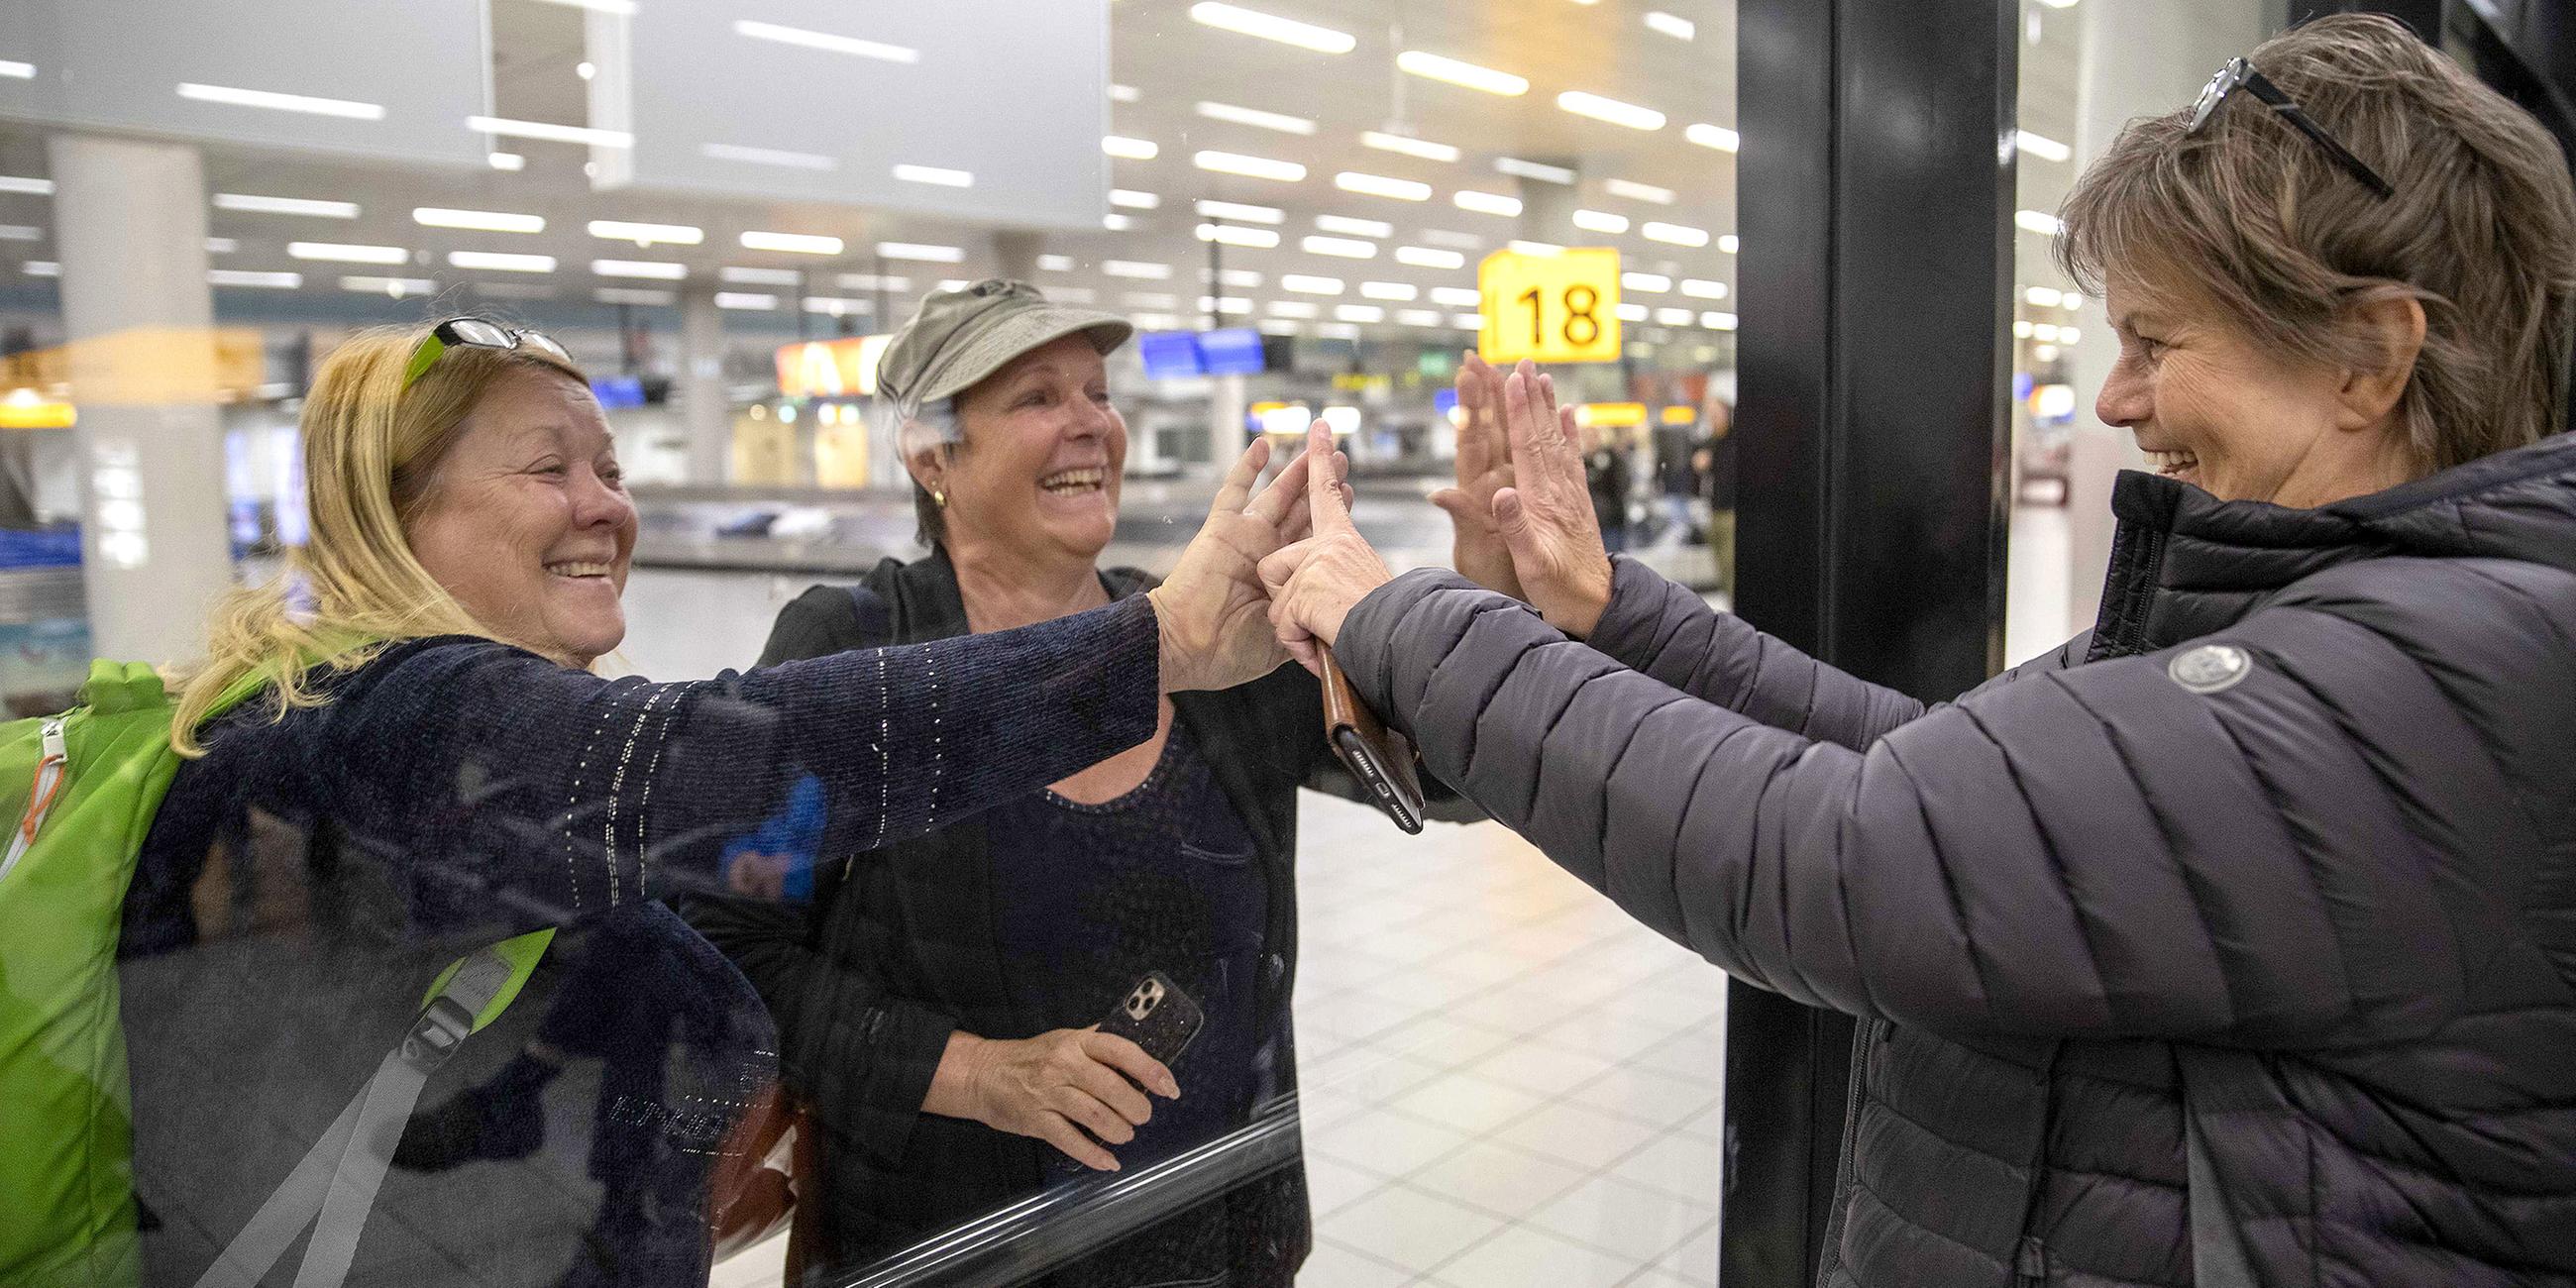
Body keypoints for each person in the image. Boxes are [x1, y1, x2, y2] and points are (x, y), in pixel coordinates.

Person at [1262, 15, 2576, 1287]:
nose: (2116, 402)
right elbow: (1927, 763)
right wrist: (1614, 615)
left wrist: (1400, 617)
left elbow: (1844, 854)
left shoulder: (2426, 686)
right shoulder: (2350, 619)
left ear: (2368, 358)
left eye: (2156, 345)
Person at [111, 313, 1319, 1287]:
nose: (606, 506)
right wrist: (1146, 647)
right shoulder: (390, 727)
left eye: (609, 468)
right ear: (393, 509)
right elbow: (732, 765)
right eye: (548, 469)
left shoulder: (355, 727)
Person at [684, 280, 1416, 1286]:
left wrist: (1472, 603)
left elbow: (1430, 773)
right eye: (1036, 397)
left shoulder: (1198, 643)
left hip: (1218, 1228)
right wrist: (981, 1074)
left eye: (1095, 391)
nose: (1089, 425)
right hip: (954, 1247)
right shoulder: (854, 649)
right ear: (931, 453)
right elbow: (729, 945)